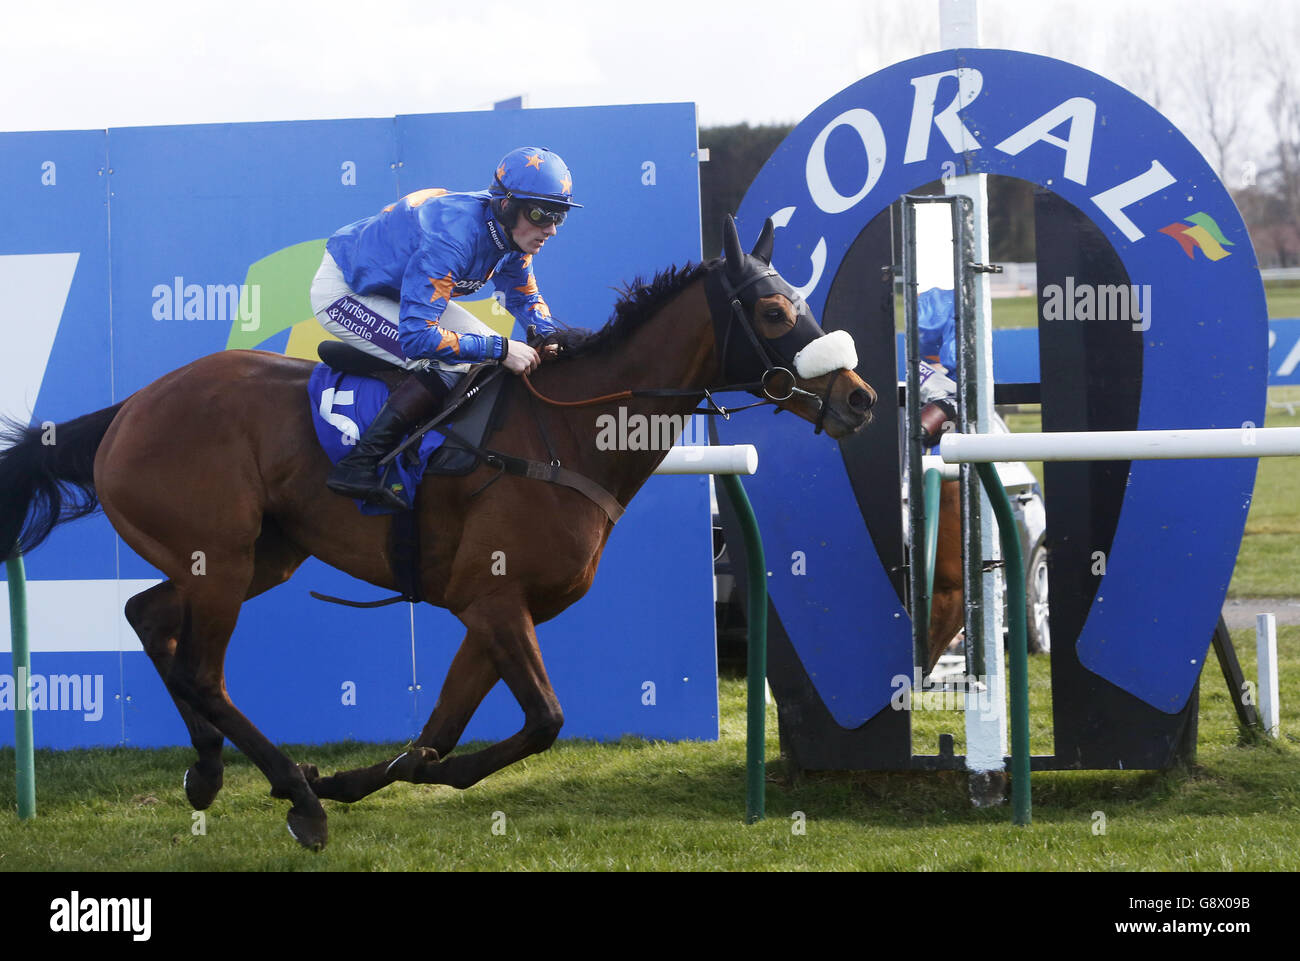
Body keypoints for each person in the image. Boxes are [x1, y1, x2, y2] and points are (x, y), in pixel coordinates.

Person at [309, 146, 581, 510]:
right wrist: (502, 348)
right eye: (539, 213)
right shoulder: (452, 238)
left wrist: (546, 334)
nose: (550, 229)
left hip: (395, 291)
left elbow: (524, 297)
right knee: (458, 358)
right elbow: (418, 336)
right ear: (505, 205)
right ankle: (361, 464)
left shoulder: (513, 236)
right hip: (345, 292)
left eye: (558, 216)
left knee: (478, 352)